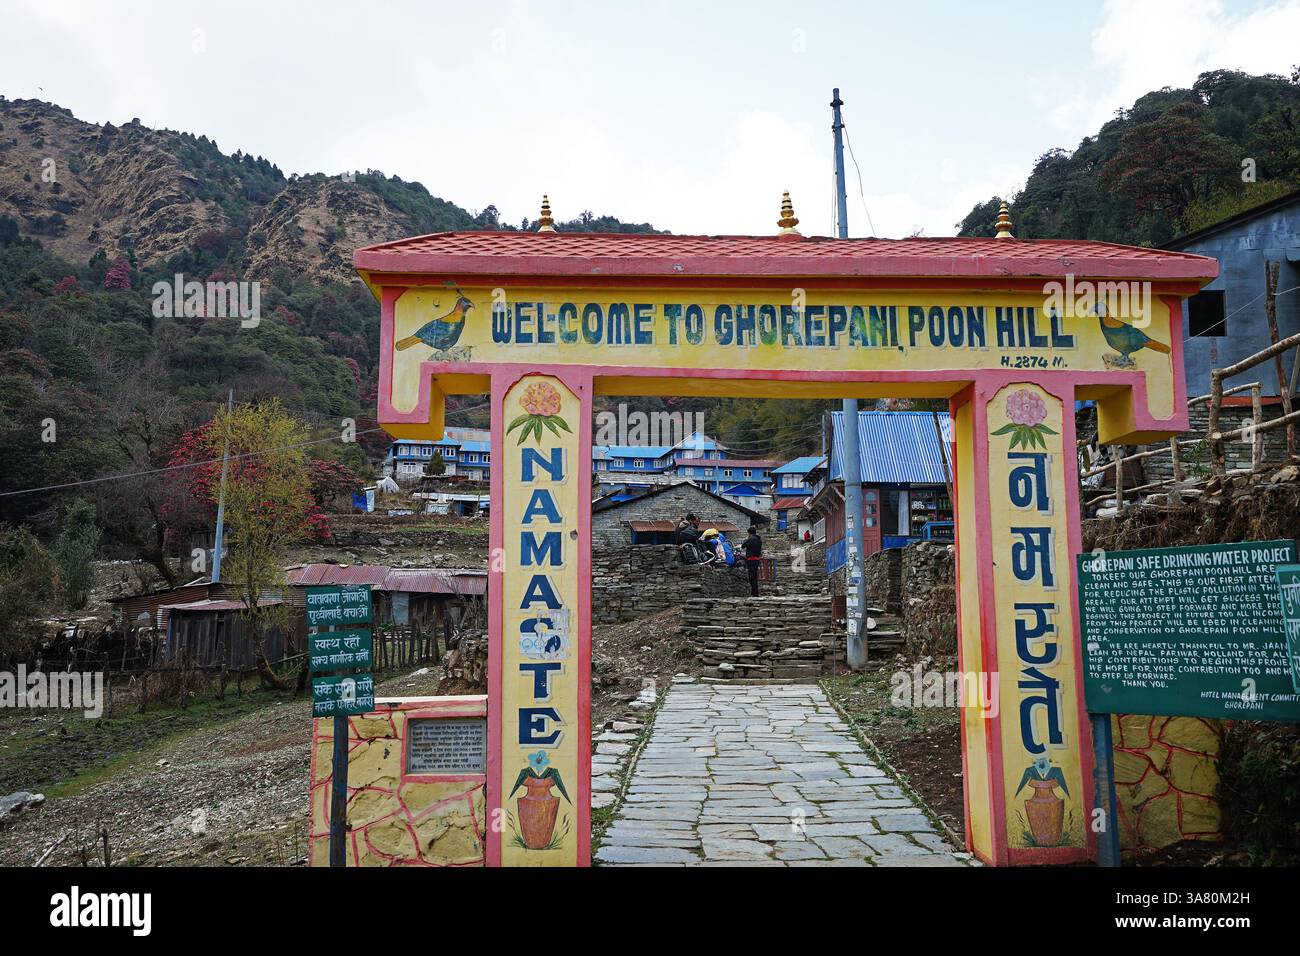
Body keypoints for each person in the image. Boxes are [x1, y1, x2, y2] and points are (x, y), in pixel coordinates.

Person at [743, 525, 763, 596]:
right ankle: (754, 592)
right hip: (757, 560)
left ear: (749, 533)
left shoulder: (751, 539)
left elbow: (743, 545)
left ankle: (755, 593)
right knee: (754, 576)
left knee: (752, 577)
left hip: (751, 560)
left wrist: (746, 539)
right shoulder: (759, 539)